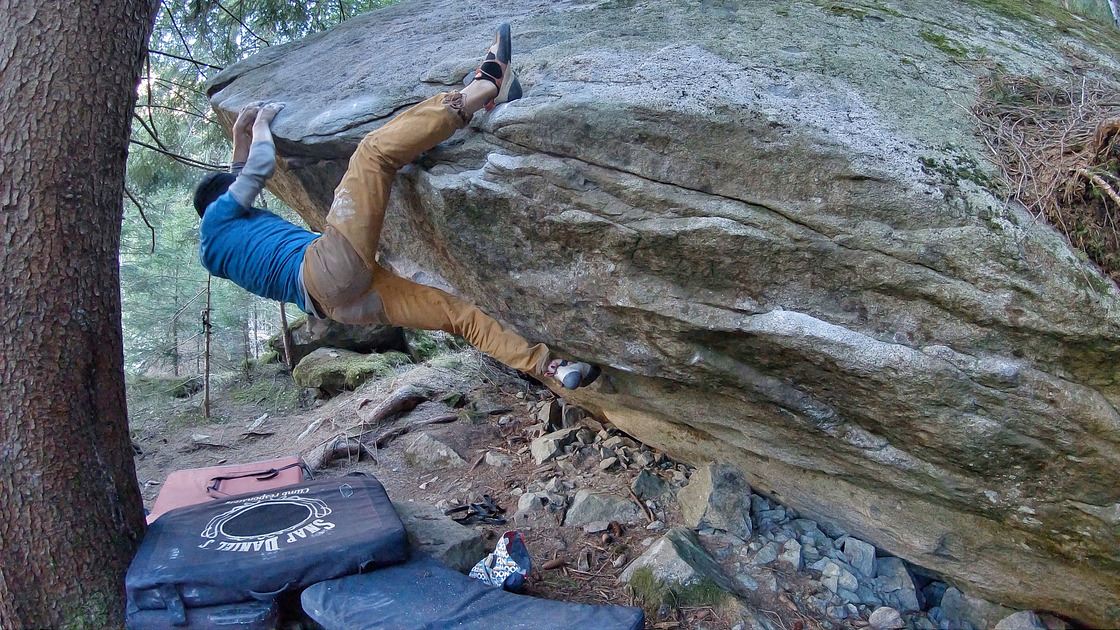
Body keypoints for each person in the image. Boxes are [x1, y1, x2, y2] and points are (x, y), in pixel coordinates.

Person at [194, 24, 599, 390]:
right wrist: (261, 126)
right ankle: (486, 87)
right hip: (325, 266)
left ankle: (551, 366)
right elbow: (257, 170)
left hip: (339, 304)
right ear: (219, 203)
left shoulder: (215, 249)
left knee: (457, 316)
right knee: (372, 154)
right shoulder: (219, 216)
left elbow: (238, 177)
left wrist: (238, 137)